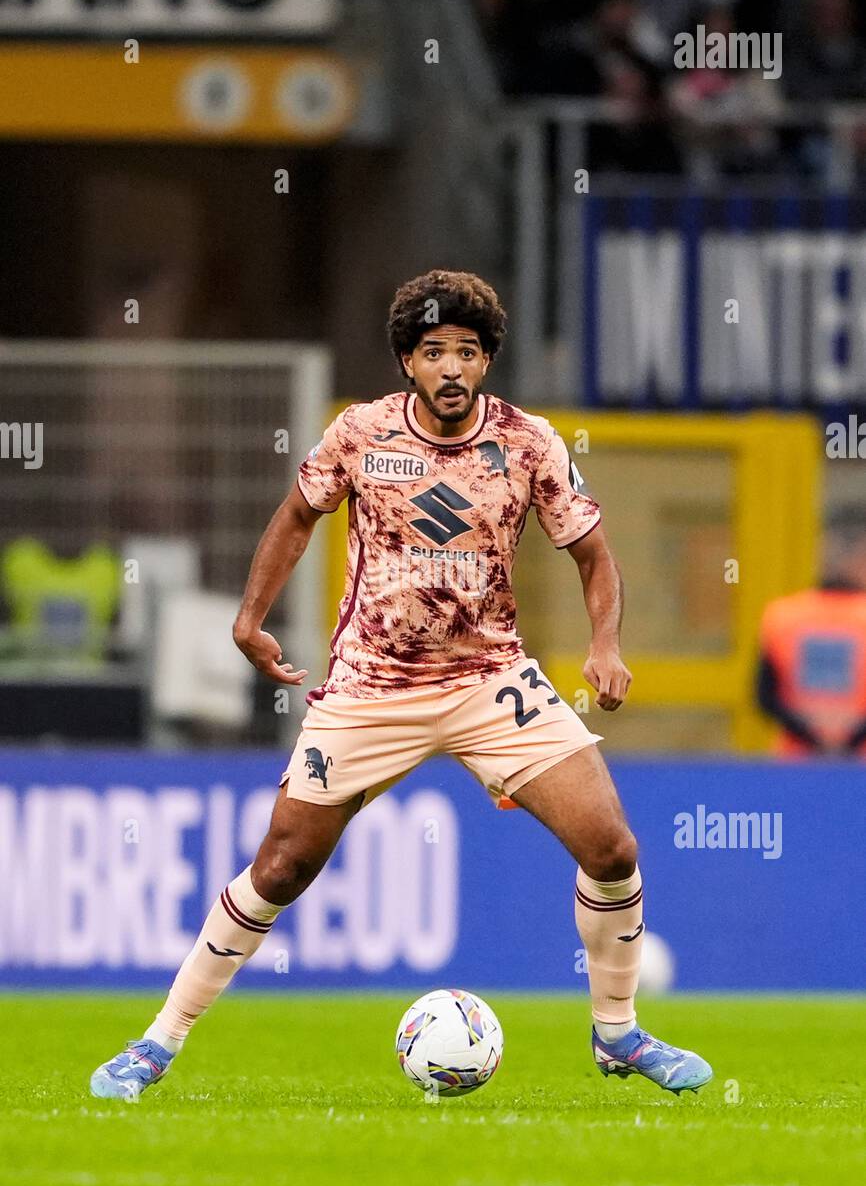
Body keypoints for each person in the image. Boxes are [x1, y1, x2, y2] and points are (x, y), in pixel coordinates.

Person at [90, 270, 713, 1101]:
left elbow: (593, 555)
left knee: (613, 848)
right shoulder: (360, 433)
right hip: (369, 687)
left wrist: (605, 644)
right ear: (407, 363)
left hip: (491, 681)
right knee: (282, 864)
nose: (451, 367)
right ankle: (154, 1046)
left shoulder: (529, 445)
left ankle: (620, 1035)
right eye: (433, 352)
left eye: (467, 350)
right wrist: (250, 617)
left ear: (487, 361)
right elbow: (297, 515)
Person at [757, 507, 866, 758]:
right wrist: (849, 740)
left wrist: (813, 736)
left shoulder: (782, 615)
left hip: (799, 762)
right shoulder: (782, 615)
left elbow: (765, 697)